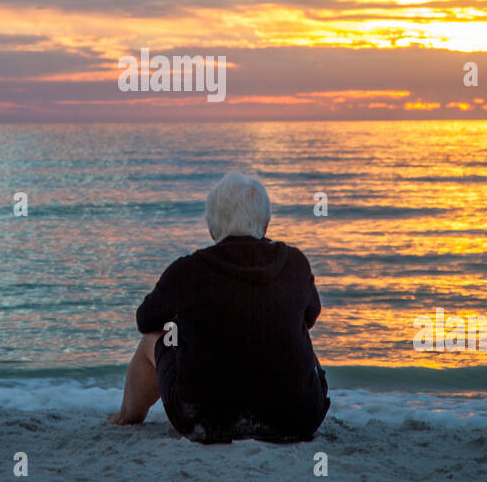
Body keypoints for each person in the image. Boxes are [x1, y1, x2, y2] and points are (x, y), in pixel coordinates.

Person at [110, 171, 330, 442]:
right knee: (294, 328)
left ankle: (126, 417)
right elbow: (311, 316)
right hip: (297, 420)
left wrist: (193, 321)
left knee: (154, 338)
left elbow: (145, 321)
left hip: (205, 422)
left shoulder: (187, 270)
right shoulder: (295, 263)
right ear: (266, 224)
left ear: (211, 227)